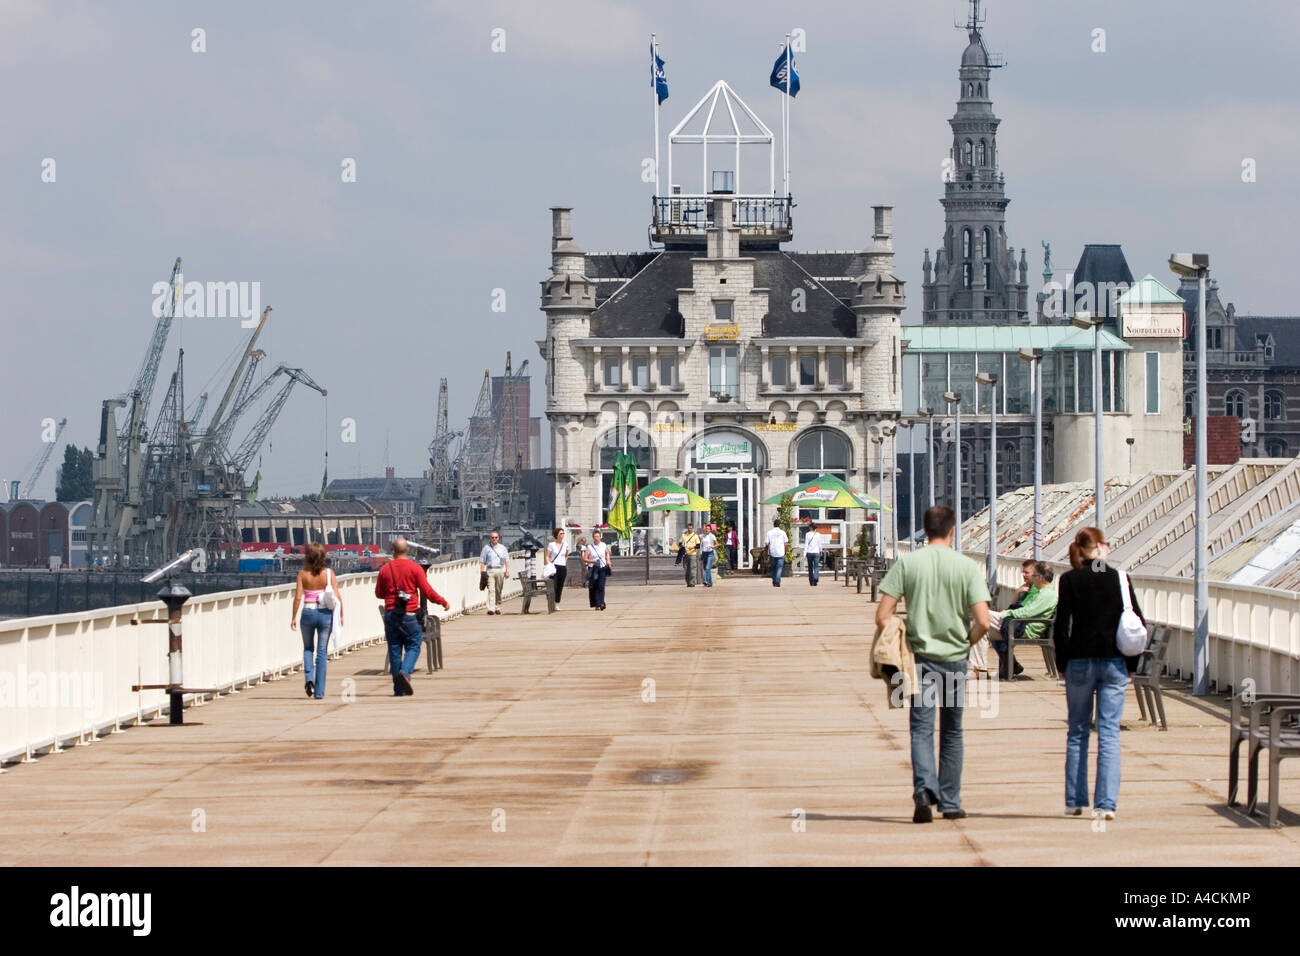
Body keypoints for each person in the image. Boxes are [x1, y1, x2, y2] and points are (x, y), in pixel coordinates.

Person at [875, 506, 992, 823]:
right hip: (954, 659)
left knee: (921, 729)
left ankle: (924, 791)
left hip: (919, 660)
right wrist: (966, 641)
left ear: (925, 530)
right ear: (952, 531)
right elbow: (983, 620)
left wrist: (903, 633)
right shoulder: (966, 567)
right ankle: (951, 802)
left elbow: (882, 616)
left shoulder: (908, 564)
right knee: (953, 731)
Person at [1054, 527, 1144, 821]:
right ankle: (1105, 805)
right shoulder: (1119, 578)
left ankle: (1074, 800)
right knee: (1109, 734)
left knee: (1077, 731)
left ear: (1079, 548)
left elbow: (1061, 626)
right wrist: (1132, 667)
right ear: (1102, 547)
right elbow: (1137, 624)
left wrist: (1062, 665)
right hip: (1114, 663)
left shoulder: (1069, 580)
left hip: (1079, 662)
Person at [375, 537, 450, 696]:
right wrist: (443, 602)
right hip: (409, 615)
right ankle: (405, 672)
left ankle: (398, 689)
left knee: (395, 650)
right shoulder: (415, 568)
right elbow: (427, 591)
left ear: (392, 551)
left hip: (391, 614)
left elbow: (379, 593)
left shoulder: (385, 570)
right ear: (408, 551)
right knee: (414, 645)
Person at [290, 542, 343, 700]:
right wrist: (341, 615)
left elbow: (298, 597)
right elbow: (337, 596)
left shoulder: (302, 574)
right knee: (321, 652)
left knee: (307, 648)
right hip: (325, 613)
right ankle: (319, 692)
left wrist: (293, 616)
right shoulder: (328, 573)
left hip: (307, 612)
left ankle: (309, 680)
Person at [991, 561, 1058, 678]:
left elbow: (1027, 612)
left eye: (1034, 575)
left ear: (1041, 577)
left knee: (982, 619)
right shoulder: (1042, 592)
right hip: (1019, 624)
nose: (1032, 577)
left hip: (1024, 628)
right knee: (986, 628)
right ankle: (1010, 665)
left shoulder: (1046, 595)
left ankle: (985, 666)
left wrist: (1007, 613)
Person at [479, 530, 511, 615]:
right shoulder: (486, 548)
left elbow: (506, 560)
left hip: (500, 570)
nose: (494, 539)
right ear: (490, 538)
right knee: (491, 590)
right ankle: (491, 609)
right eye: (492, 537)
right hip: (490, 570)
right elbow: (482, 561)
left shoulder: (502, 548)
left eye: (496, 537)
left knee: (498, 590)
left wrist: (507, 571)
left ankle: (497, 606)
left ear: (498, 538)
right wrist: (482, 572)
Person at [584, 529, 611, 610]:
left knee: (601, 586)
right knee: (594, 586)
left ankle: (601, 602)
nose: (596, 538)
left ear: (600, 537)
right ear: (593, 537)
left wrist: (608, 560)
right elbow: (585, 558)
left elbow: (607, 553)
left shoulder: (603, 545)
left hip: (602, 567)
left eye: (598, 536)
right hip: (593, 568)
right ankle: (596, 603)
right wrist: (592, 561)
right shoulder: (590, 547)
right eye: (595, 536)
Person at [544, 527, 568, 606]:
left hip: (562, 567)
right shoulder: (551, 545)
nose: (562, 535)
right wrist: (549, 564)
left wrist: (564, 562)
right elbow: (547, 556)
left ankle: (557, 603)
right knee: (553, 585)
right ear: (556, 535)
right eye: (561, 533)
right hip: (553, 567)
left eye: (563, 533)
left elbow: (566, 555)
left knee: (560, 586)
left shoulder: (565, 545)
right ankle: (551, 602)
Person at [766, 518, 789, 586]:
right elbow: (786, 543)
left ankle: (774, 580)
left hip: (773, 552)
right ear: (779, 525)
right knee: (779, 567)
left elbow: (766, 543)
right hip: (780, 552)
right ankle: (777, 580)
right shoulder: (783, 532)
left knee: (773, 567)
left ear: (774, 525)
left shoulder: (769, 532)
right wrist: (786, 551)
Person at [681, 523, 702, 587]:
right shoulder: (684, 535)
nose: (689, 529)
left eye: (691, 528)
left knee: (692, 569)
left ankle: (692, 582)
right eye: (688, 528)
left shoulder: (695, 536)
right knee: (686, 569)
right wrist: (682, 546)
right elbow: (680, 543)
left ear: (693, 529)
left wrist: (692, 547)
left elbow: (698, 546)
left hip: (693, 554)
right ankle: (688, 582)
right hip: (685, 554)